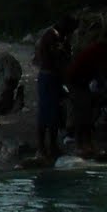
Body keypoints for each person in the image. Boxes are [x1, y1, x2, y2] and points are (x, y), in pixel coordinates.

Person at [66, 27, 107, 153]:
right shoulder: (101, 49)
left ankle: (87, 142)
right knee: (82, 113)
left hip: (83, 82)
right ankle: (80, 144)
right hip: (76, 82)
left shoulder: (101, 49)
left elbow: (102, 72)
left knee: (88, 112)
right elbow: (100, 72)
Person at [33, 19, 73, 159]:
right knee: (47, 113)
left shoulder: (51, 35)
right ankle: (44, 147)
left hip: (50, 77)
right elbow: (57, 57)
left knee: (53, 112)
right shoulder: (53, 36)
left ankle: (49, 146)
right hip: (49, 77)